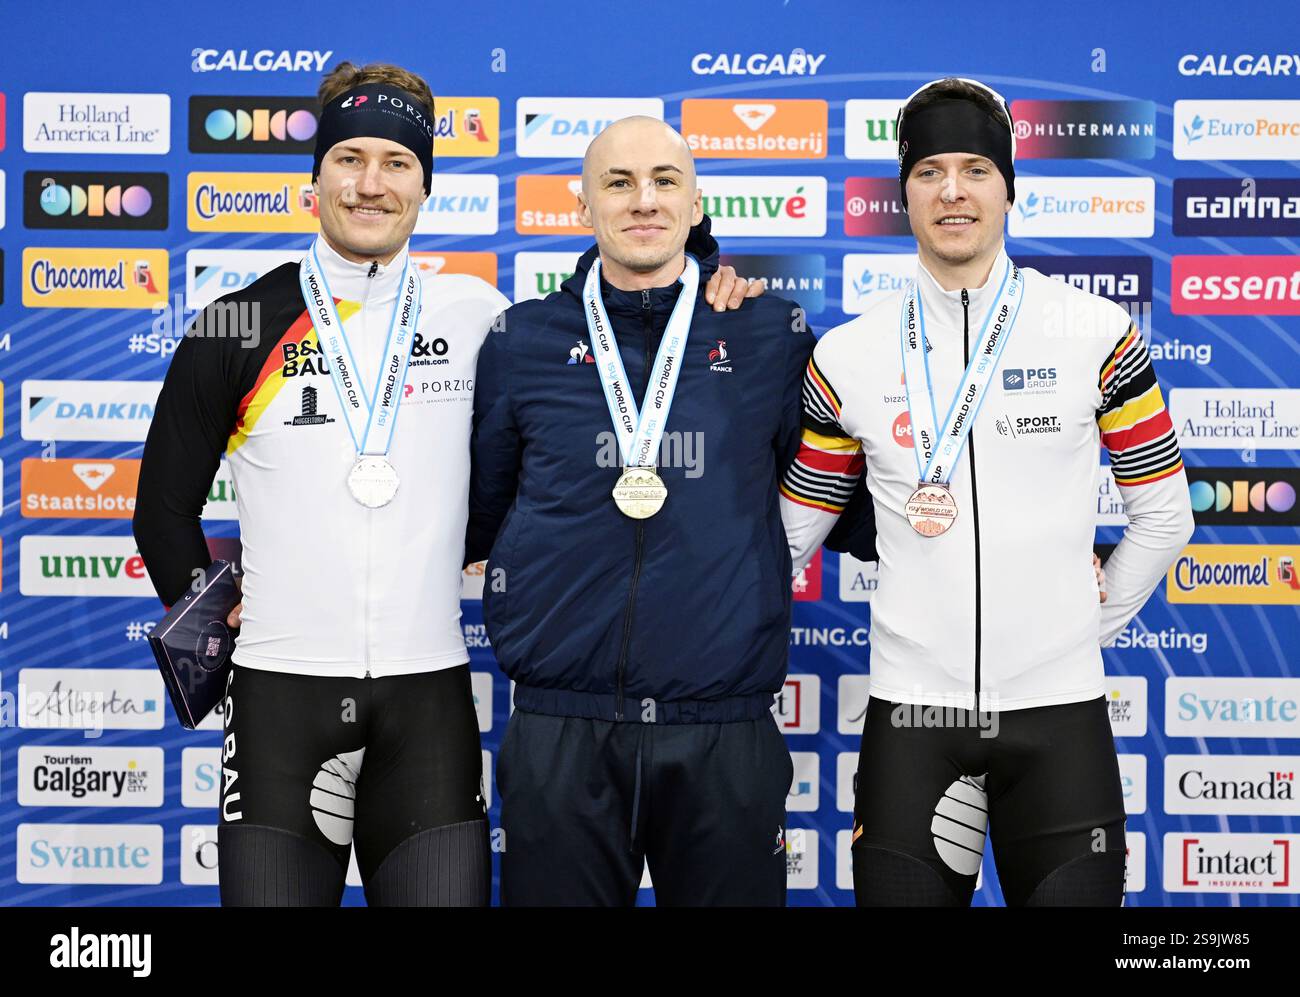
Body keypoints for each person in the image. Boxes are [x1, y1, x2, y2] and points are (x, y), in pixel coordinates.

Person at [134, 61, 762, 907]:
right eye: (349, 159)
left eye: (396, 164)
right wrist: (208, 606)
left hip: (429, 697)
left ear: (424, 185)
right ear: (312, 178)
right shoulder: (236, 324)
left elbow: (614, 310)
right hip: (279, 695)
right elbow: (161, 507)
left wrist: (711, 266)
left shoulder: (477, 314)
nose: (370, 184)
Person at [779, 77, 1195, 907]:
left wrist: (1077, 629)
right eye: (930, 170)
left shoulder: (1094, 333)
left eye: (975, 168)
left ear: (1010, 188)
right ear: (904, 194)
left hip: (1059, 719)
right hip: (912, 724)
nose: (953, 191)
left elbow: (1164, 514)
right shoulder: (848, 357)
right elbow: (790, 536)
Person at [467, 116, 871, 906]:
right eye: (617, 183)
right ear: (582, 206)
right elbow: (483, 514)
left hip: (724, 729)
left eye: (665, 181)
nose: (642, 199)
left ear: (695, 206)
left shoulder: (767, 332)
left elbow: (844, 504)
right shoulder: (523, 340)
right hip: (560, 727)